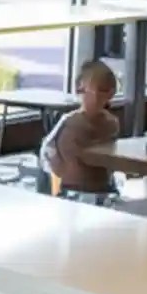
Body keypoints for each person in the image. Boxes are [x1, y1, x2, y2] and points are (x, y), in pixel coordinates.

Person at [41, 60, 120, 196]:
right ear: (80, 90)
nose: (98, 97)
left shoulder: (111, 123)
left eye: (105, 91)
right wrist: (60, 171)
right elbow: (47, 150)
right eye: (96, 90)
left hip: (103, 188)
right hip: (72, 188)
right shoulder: (70, 122)